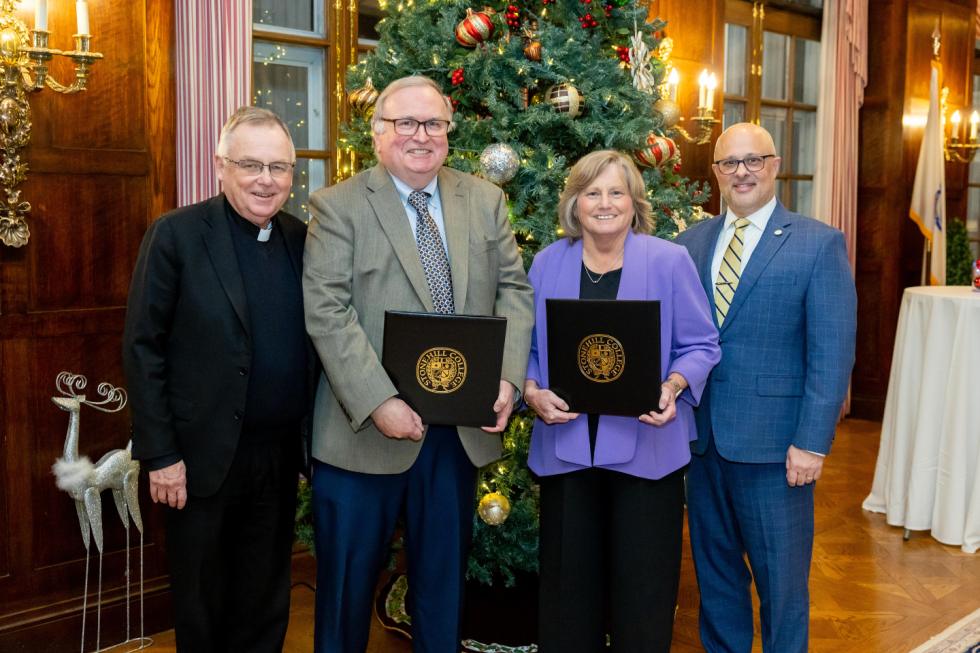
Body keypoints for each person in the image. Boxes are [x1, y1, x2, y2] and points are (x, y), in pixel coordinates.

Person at [303, 75, 534, 653]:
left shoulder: (485, 200)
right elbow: (328, 312)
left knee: (441, 593)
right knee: (343, 598)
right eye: (405, 123)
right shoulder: (338, 206)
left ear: (448, 133)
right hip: (361, 438)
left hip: (455, 436)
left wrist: (505, 379)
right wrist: (380, 402)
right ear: (378, 133)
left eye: (433, 124)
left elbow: (514, 292)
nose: (420, 136)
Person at [123, 106, 314, 653]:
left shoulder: (301, 238)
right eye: (251, 165)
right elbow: (143, 347)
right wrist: (160, 455)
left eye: (279, 167)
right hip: (197, 457)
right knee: (204, 602)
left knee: (266, 600)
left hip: (277, 458)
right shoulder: (176, 235)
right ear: (220, 166)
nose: (266, 180)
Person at [523, 150, 721, 653]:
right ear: (574, 203)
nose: (605, 203)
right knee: (568, 596)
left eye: (616, 192)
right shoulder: (547, 262)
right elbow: (523, 349)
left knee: (643, 596)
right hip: (566, 449)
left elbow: (702, 345)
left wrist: (673, 385)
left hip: (647, 453)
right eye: (592, 192)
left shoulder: (669, 260)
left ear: (634, 202)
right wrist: (531, 391)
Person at [674, 123, 857, 653]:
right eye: (730, 163)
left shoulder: (818, 244)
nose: (742, 172)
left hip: (779, 451)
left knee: (782, 587)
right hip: (702, 443)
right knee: (718, 579)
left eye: (754, 160)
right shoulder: (689, 244)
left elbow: (832, 353)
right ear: (715, 174)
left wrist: (813, 442)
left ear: (775, 165)